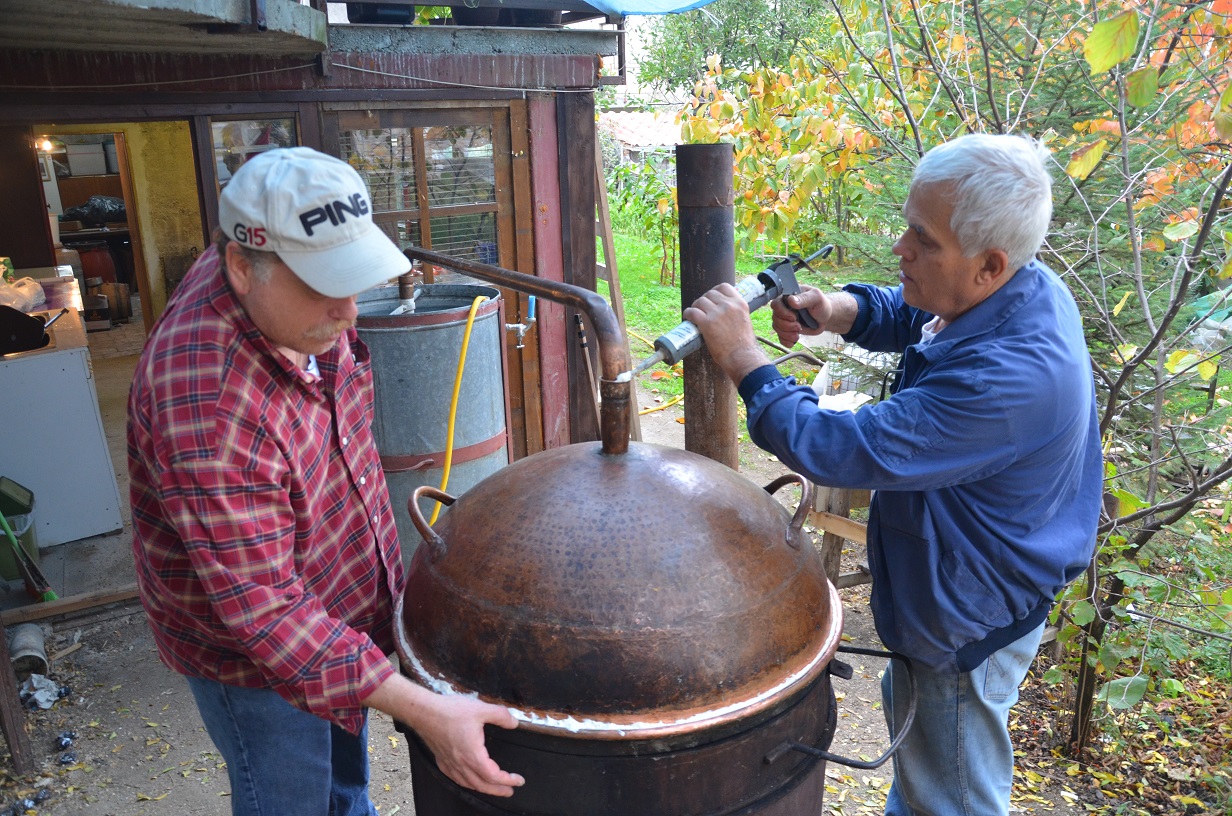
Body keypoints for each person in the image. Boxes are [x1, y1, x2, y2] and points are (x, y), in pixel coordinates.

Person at [684, 133, 1102, 816]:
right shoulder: (1023, 287)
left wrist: (744, 358)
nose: (900, 248)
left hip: (965, 618)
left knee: (954, 798)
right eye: (908, 225)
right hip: (964, 587)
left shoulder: (1008, 381)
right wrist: (839, 311)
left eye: (922, 239)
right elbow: (930, 312)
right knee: (926, 767)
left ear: (990, 264)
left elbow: (835, 446)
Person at [128, 147, 524, 816]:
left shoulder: (282, 292)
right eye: (322, 286)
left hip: (332, 610)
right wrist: (425, 710)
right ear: (239, 267)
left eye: (354, 278)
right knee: (294, 799)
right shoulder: (209, 404)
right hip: (252, 659)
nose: (348, 311)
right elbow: (266, 613)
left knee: (345, 786)